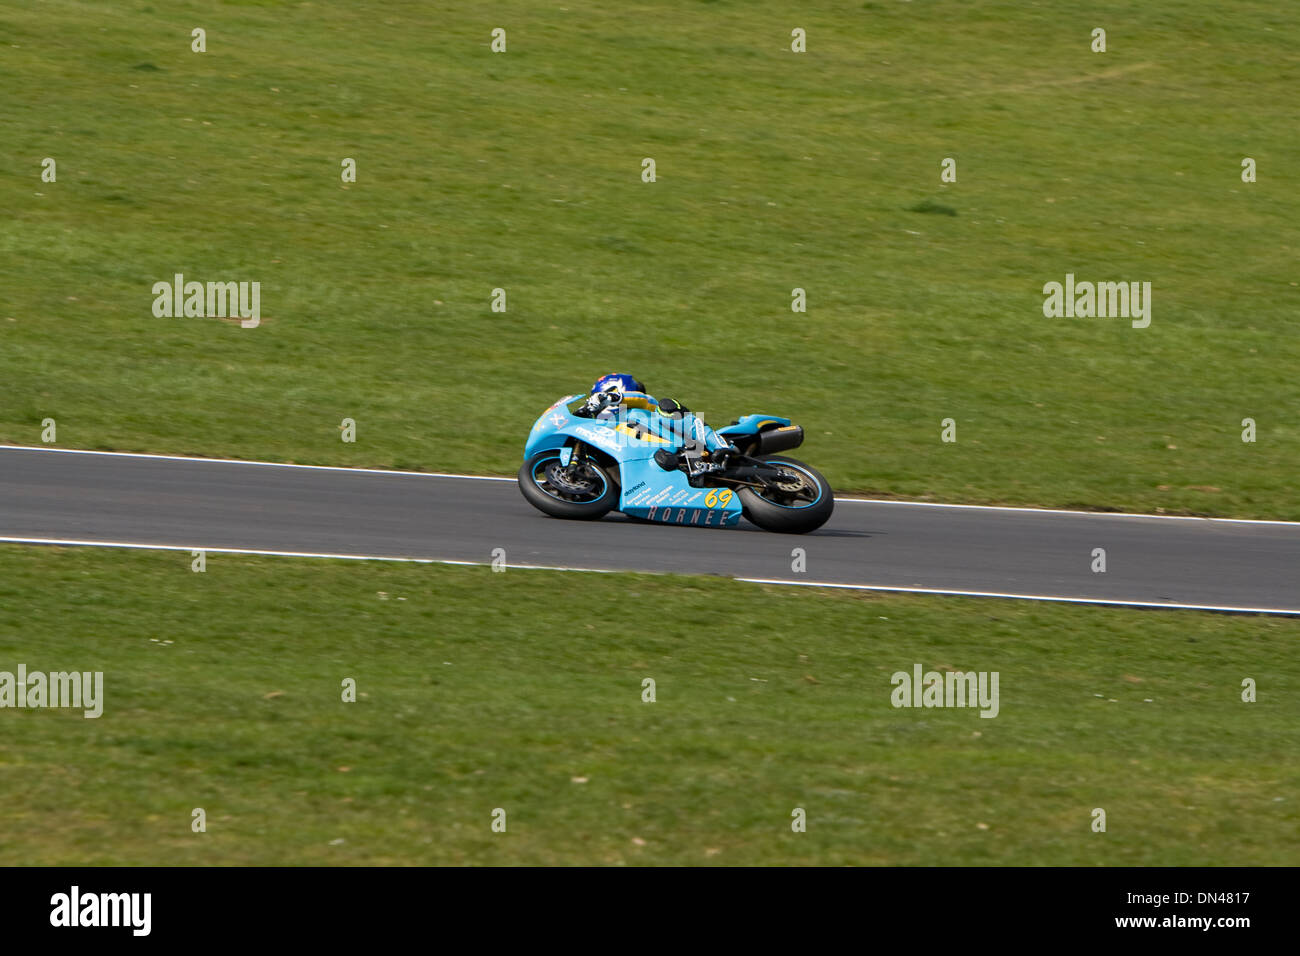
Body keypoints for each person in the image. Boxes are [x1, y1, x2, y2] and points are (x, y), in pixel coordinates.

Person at [580, 373, 735, 474]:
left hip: (683, 445)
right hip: (649, 461)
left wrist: (612, 397)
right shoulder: (607, 426)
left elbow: (643, 399)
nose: (595, 401)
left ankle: (719, 445)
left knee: (666, 408)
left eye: (596, 396)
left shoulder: (640, 404)